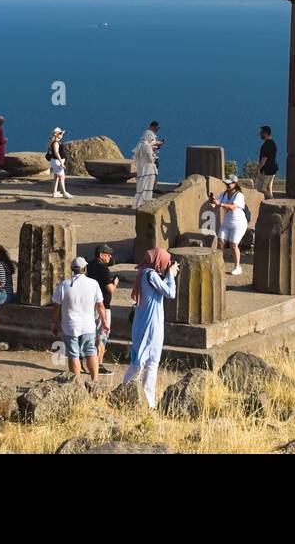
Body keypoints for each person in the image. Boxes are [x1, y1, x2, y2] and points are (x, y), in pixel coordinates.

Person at [122, 248, 180, 408]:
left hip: (147, 322)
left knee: (147, 361)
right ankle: (127, 392)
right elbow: (170, 293)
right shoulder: (150, 274)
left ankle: (145, 400)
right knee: (143, 363)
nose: (167, 264)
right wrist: (170, 275)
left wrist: (168, 274)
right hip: (150, 323)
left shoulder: (144, 272)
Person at [52, 257, 107, 382]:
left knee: (73, 355)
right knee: (91, 352)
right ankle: (95, 381)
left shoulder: (63, 285)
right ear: (85, 269)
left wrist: (53, 323)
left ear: (72, 269)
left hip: (70, 326)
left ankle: (76, 384)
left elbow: (56, 307)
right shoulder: (93, 284)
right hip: (88, 326)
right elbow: (101, 306)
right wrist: (104, 323)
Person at [86, 244, 120, 375]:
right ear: (101, 255)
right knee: (102, 336)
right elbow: (110, 288)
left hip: (89, 304)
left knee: (90, 336)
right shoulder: (104, 269)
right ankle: (98, 365)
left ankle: (87, 363)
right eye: (108, 254)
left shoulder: (88, 266)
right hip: (103, 306)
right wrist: (115, 283)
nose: (110, 256)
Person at [210, 175, 248, 276]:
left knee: (233, 245)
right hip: (226, 223)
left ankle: (237, 267)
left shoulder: (239, 195)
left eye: (229, 183)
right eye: (226, 183)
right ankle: (218, 265)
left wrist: (220, 204)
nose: (227, 185)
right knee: (220, 243)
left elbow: (232, 207)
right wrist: (213, 202)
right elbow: (215, 205)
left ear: (235, 184)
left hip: (238, 224)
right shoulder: (223, 194)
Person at [133, 127, 158, 209]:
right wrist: (154, 155)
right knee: (147, 187)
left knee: (141, 187)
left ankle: (137, 204)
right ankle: (145, 204)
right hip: (148, 169)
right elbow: (151, 159)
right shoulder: (147, 146)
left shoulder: (140, 145)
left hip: (141, 169)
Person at [47, 127, 71, 199]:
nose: (62, 135)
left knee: (56, 177)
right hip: (57, 162)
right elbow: (56, 153)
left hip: (55, 161)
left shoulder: (55, 142)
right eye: (60, 133)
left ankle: (55, 192)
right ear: (57, 135)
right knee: (62, 177)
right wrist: (61, 162)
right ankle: (64, 192)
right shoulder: (56, 143)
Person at [257, 125, 279, 198]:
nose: (260, 134)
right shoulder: (273, 143)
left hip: (268, 171)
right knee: (269, 188)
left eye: (261, 132)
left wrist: (258, 168)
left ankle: (273, 202)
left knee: (261, 188)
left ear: (265, 133)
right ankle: (272, 206)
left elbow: (264, 159)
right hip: (273, 169)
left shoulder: (266, 145)